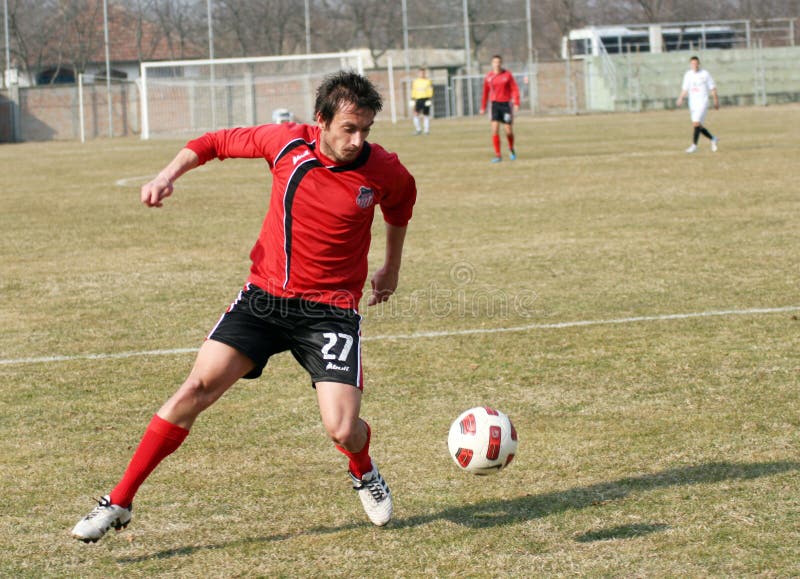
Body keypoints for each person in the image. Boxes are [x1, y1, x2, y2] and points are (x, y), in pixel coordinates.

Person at [71, 71, 417, 542]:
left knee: (341, 428)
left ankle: (363, 469)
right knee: (194, 389)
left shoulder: (384, 170)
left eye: (366, 130)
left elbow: (400, 208)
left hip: (330, 310)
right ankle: (119, 501)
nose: (358, 140)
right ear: (321, 121)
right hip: (264, 299)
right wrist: (165, 175)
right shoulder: (286, 145)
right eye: (348, 129)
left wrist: (391, 267)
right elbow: (212, 141)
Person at [479, 55, 520, 163]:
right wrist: (483, 107)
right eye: (495, 62)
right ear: (492, 64)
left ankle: (511, 149)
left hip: (506, 105)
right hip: (495, 105)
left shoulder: (507, 75)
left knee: (508, 131)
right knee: (494, 129)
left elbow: (514, 88)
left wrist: (516, 102)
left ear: (501, 63)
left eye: (499, 62)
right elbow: (485, 93)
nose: (497, 64)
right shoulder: (489, 77)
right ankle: (498, 155)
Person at [676, 55, 720, 153]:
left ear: (699, 64)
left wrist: (716, 101)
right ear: (690, 65)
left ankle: (694, 146)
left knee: (696, 123)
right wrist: (680, 98)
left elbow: (712, 88)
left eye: (696, 63)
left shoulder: (705, 74)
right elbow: (685, 89)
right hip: (692, 103)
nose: (694, 65)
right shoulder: (688, 75)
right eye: (692, 64)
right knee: (697, 125)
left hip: (702, 102)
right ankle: (713, 138)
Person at [411, 67, 434, 135]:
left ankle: (426, 130)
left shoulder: (428, 81)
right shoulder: (416, 81)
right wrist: (412, 98)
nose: (422, 74)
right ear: (418, 73)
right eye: (421, 73)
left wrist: (430, 98)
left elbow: (430, 90)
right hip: (418, 99)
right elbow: (414, 90)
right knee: (415, 114)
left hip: (426, 99)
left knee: (425, 115)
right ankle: (418, 129)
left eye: (423, 73)